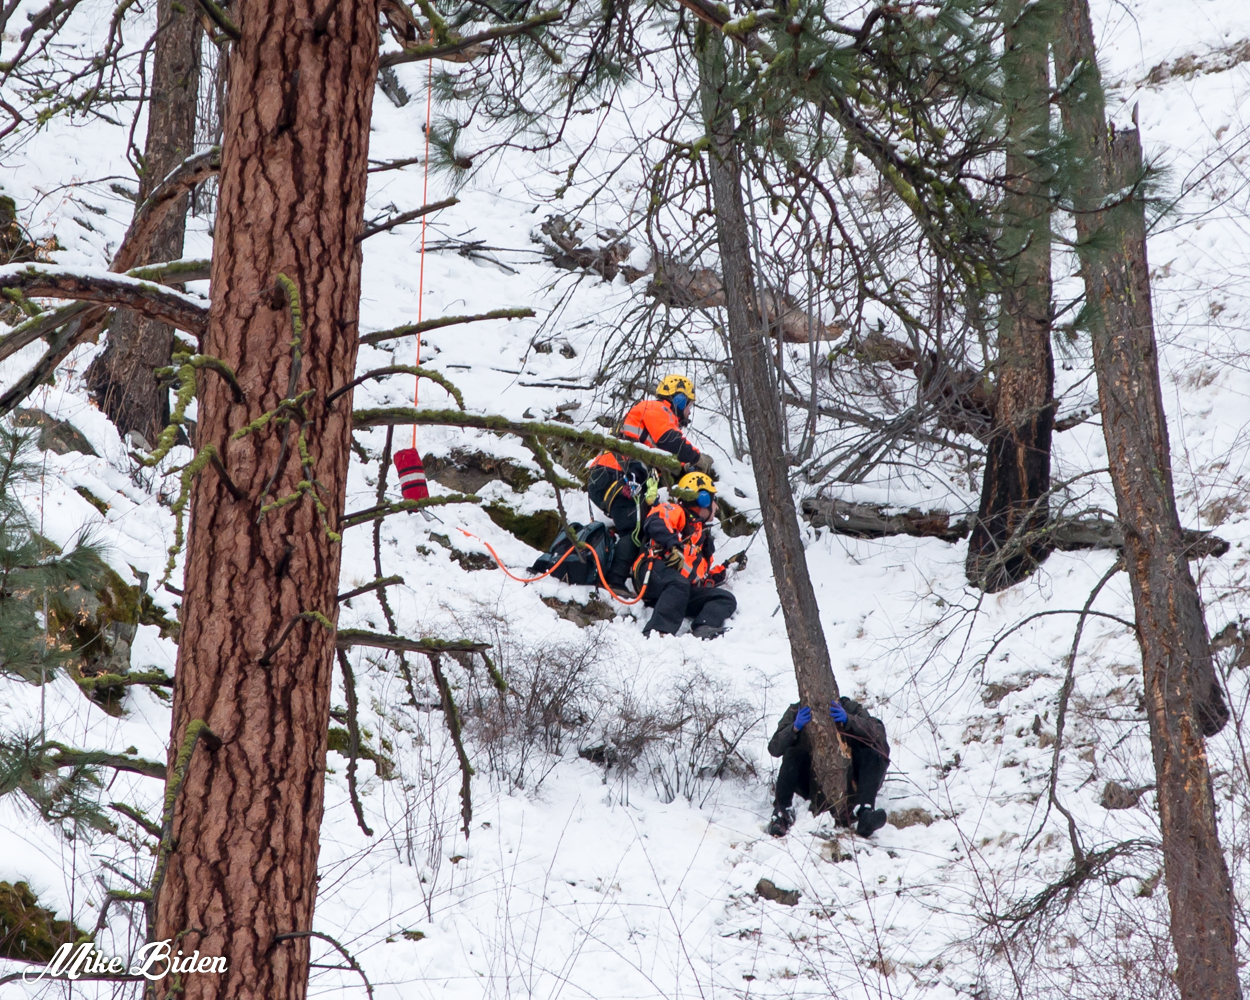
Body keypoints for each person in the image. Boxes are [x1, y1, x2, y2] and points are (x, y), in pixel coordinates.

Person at [587, 374, 714, 589]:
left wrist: (685, 467)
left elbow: (663, 453)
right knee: (635, 530)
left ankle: (623, 573)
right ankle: (614, 583)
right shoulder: (655, 409)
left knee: (643, 523)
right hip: (615, 474)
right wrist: (697, 458)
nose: (689, 411)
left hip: (619, 476)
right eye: (688, 404)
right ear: (678, 400)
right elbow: (670, 440)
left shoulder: (659, 418)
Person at [766, 697, 890, 839]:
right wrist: (794, 728)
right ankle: (782, 812)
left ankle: (865, 813)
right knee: (793, 754)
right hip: (812, 782)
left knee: (872, 753)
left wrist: (849, 720)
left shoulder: (849, 707)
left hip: (853, 781)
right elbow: (774, 748)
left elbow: (878, 732)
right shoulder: (797, 710)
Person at [634, 471, 736, 639]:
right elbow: (656, 521)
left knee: (725, 598)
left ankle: (703, 626)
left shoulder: (702, 538)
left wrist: (728, 566)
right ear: (703, 499)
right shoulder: (675, 511)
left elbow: (701, 577)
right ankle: (658, 632)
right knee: (678, 583)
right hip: (652, 573)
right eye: (713, 500)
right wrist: (673, 545)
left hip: (679, 590)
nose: (716, 507)